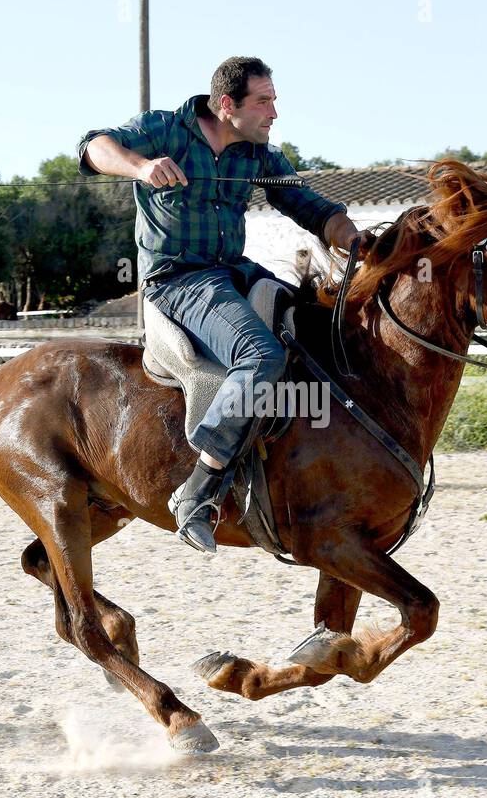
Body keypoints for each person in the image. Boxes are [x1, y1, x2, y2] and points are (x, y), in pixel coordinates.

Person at [77, 56, 363, 553]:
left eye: (274, 100)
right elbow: (93, 147)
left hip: (235, 272)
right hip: (179, 280)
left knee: (318, 332)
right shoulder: (165, 130)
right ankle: (200, 488)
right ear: (227, 104)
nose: (274, 112)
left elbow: (310, 206)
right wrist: (141, 167)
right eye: (264, 101)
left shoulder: (257, 154)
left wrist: (353, 237)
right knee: (260, 355)